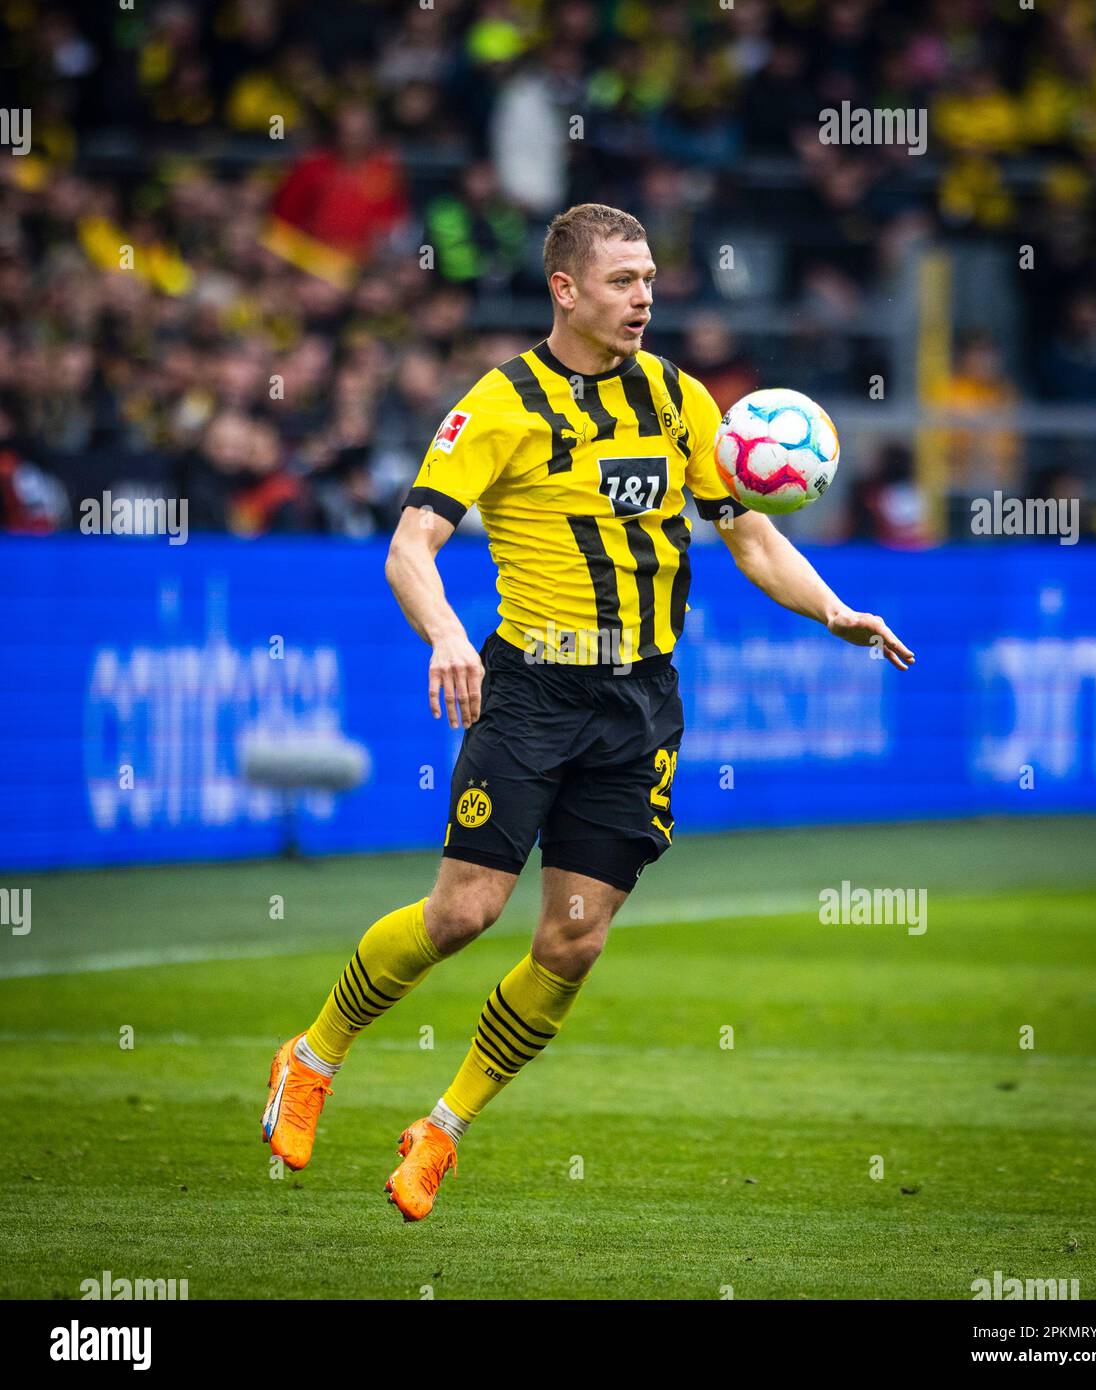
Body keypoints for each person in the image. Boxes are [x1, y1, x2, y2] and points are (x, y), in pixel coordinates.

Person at [261, 203, 914, 1221]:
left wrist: (832, 607)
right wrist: (442, 632)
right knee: (463, 914)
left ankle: (442, 1127)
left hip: (639, 701)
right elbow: (408, 548)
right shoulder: (500, 404)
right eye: (622, 280)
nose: (644, 296)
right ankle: (312, 1055)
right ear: (565, 288)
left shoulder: (679, 398)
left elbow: (745, 536)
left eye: (650, 277)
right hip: (530, 688)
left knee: (572, 940)